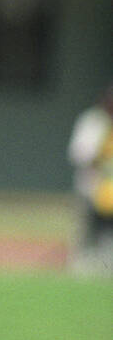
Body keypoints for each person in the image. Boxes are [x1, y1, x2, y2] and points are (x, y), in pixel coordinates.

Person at [67, 85, 113, 273]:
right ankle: (79, 269)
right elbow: (79, 154)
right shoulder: (92, 121)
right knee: (85, 231)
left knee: (108, 234)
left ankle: (107, 268)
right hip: (90, 187)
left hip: (109, 191)